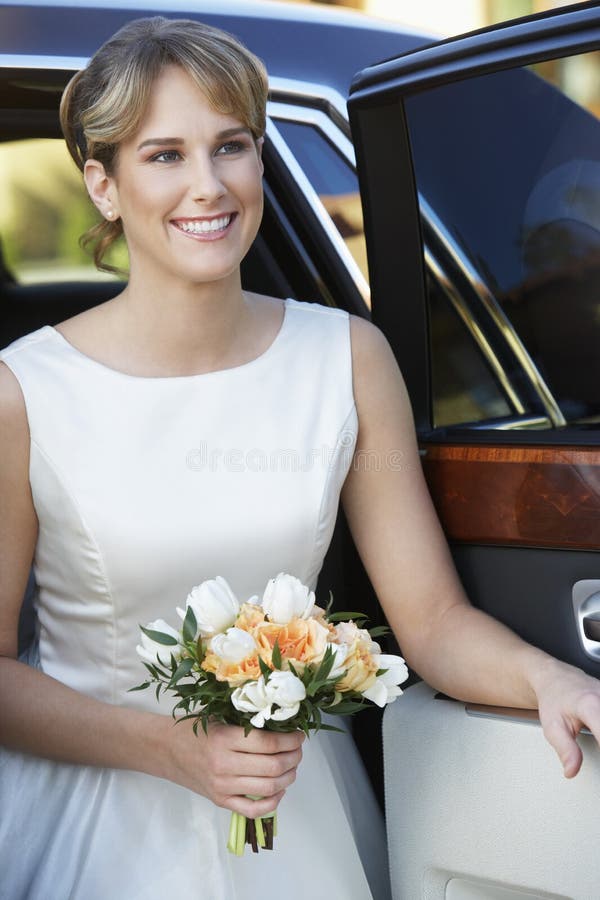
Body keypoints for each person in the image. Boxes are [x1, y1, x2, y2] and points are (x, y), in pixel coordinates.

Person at [1, 15, 599, 900]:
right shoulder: (25, 390)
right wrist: (174, 750)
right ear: (103, 185)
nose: (208, 186)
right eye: (164, 155)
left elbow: (432, 623)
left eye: (231, 146)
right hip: (98, 828)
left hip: (299, 818)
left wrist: (551, 681)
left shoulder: (346, 357)